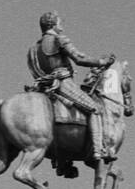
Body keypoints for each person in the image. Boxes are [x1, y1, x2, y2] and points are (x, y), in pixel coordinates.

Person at [26, 10, 115, 167]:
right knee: (95, 109)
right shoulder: (59, 40)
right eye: (60, 22)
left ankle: (60, 160)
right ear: (53, 24)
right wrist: (101, 62)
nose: (62, 25)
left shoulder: (33, 48)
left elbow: (34, 70)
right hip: (62, 83)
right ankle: (98, 150)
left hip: (42, 87)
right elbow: (79, 59)